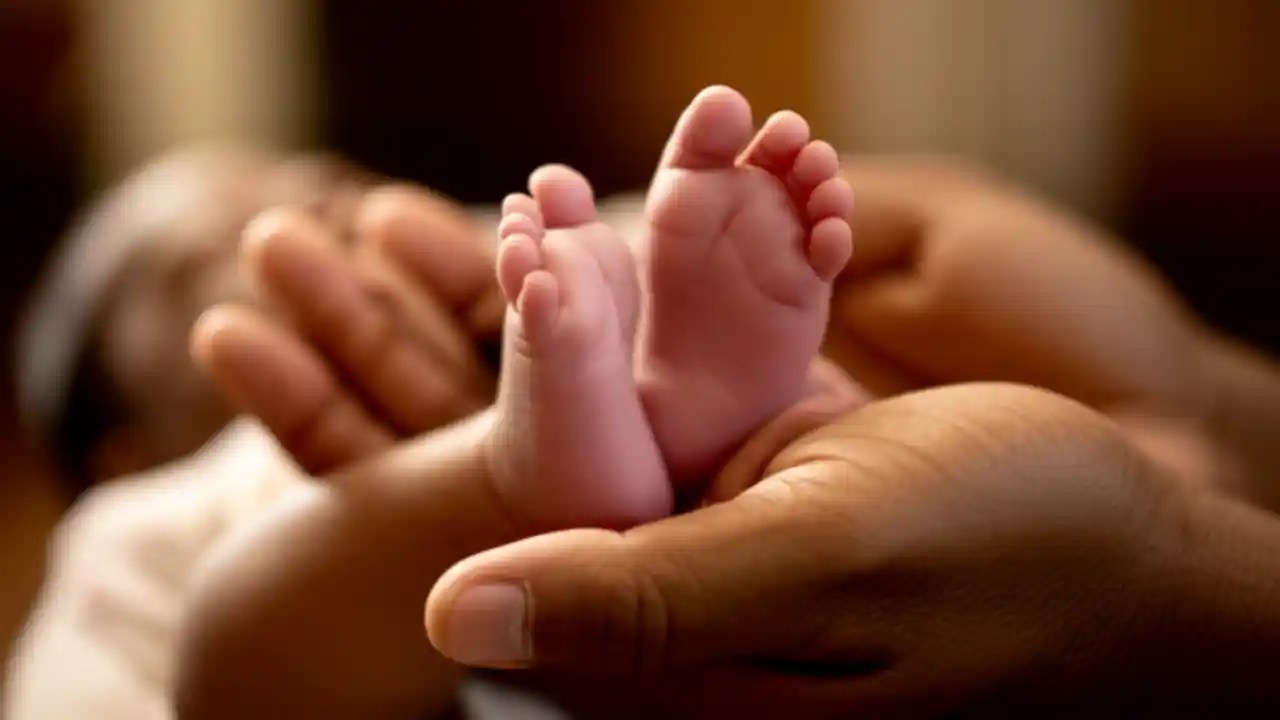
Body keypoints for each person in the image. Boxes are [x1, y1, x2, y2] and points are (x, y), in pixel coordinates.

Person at [176, 89, 1280, 716]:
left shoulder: (565, 271)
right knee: (241, 632)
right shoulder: (211, 485)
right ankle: (525, 476)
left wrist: (1173, 435)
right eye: (174, 268)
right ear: (121, 445)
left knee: (1080, 469)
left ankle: (660, 434)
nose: (297, 214)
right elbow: (227, 680)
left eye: (318, 184)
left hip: (939, 552)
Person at [4, 147, 500, 719]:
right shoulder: (121, 581)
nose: (311, 212)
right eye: (205, 253)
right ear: (132, 461)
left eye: (329, 185)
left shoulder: (571, 281)